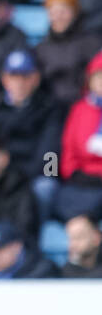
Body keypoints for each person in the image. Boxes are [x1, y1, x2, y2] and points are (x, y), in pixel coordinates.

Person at [0, 50, 64, 219]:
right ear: (4, 79)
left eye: (25, 76)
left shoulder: (50, 108)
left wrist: (22, 177)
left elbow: (51, 154)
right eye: (14, 76)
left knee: (46, 185)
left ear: (36, 78)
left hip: (35, 174)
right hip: (1, 173)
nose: (19, 83)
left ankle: (38, 237)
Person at [34, 0, 100, 109]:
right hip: (50, 111)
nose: (58, 17)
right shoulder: (41, 48)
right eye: (53, 11)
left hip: (84, 108)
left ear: (74, 11)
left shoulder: (91, 44)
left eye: (64, 11)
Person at [55, 50, 102, 221]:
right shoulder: (79, 109)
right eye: (98, 77)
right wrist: (72, 172)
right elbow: (68, 147)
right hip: (80, 180)